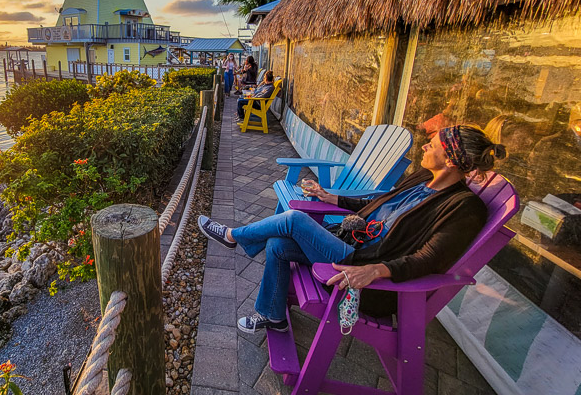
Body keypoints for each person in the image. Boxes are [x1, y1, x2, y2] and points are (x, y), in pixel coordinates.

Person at [197, 125, 506, 333]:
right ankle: (273, 316)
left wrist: (375, 271)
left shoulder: (465, 209)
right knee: (278, 243)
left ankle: (232, 236)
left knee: (294, 219)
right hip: (350, 244)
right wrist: (330, 197)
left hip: (366, 273)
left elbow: (429, 260)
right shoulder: (422, 180)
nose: (426, 145)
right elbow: (377, 208)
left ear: (450, 159)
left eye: (433, 144)